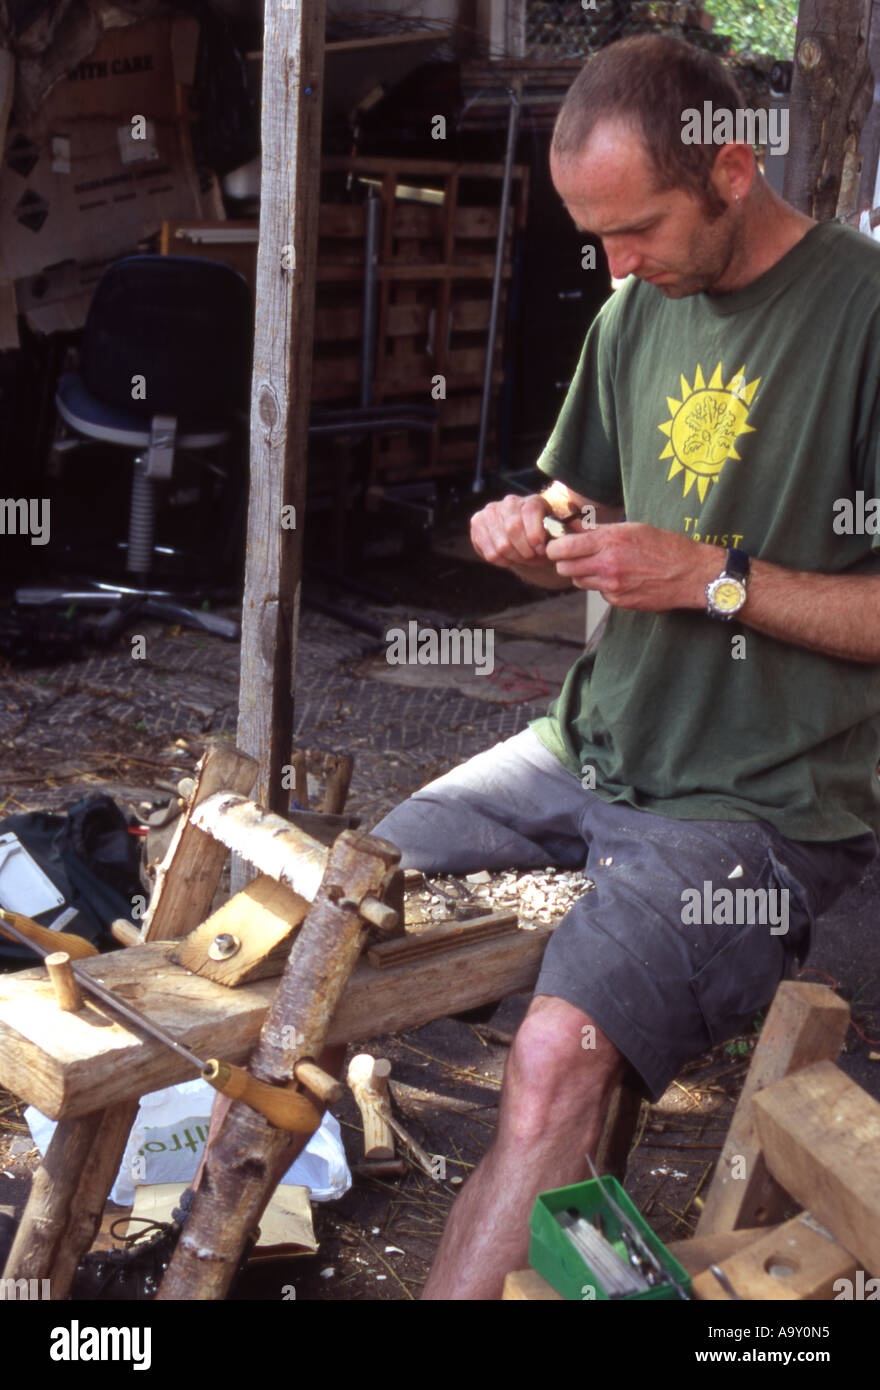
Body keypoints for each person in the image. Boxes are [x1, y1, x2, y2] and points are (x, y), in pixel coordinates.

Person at [372, 34, 880, 1300]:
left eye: (636, 228)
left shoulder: (863, 313)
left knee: (552, 1056)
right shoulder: (630, 310)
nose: (617, 264)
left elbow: (697, 568)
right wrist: (525, 535)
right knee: (342, 896)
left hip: (758, 802)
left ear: (729, 169)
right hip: (592, 741)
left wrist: (711, 575)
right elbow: (581, 512)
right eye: (595, 236)